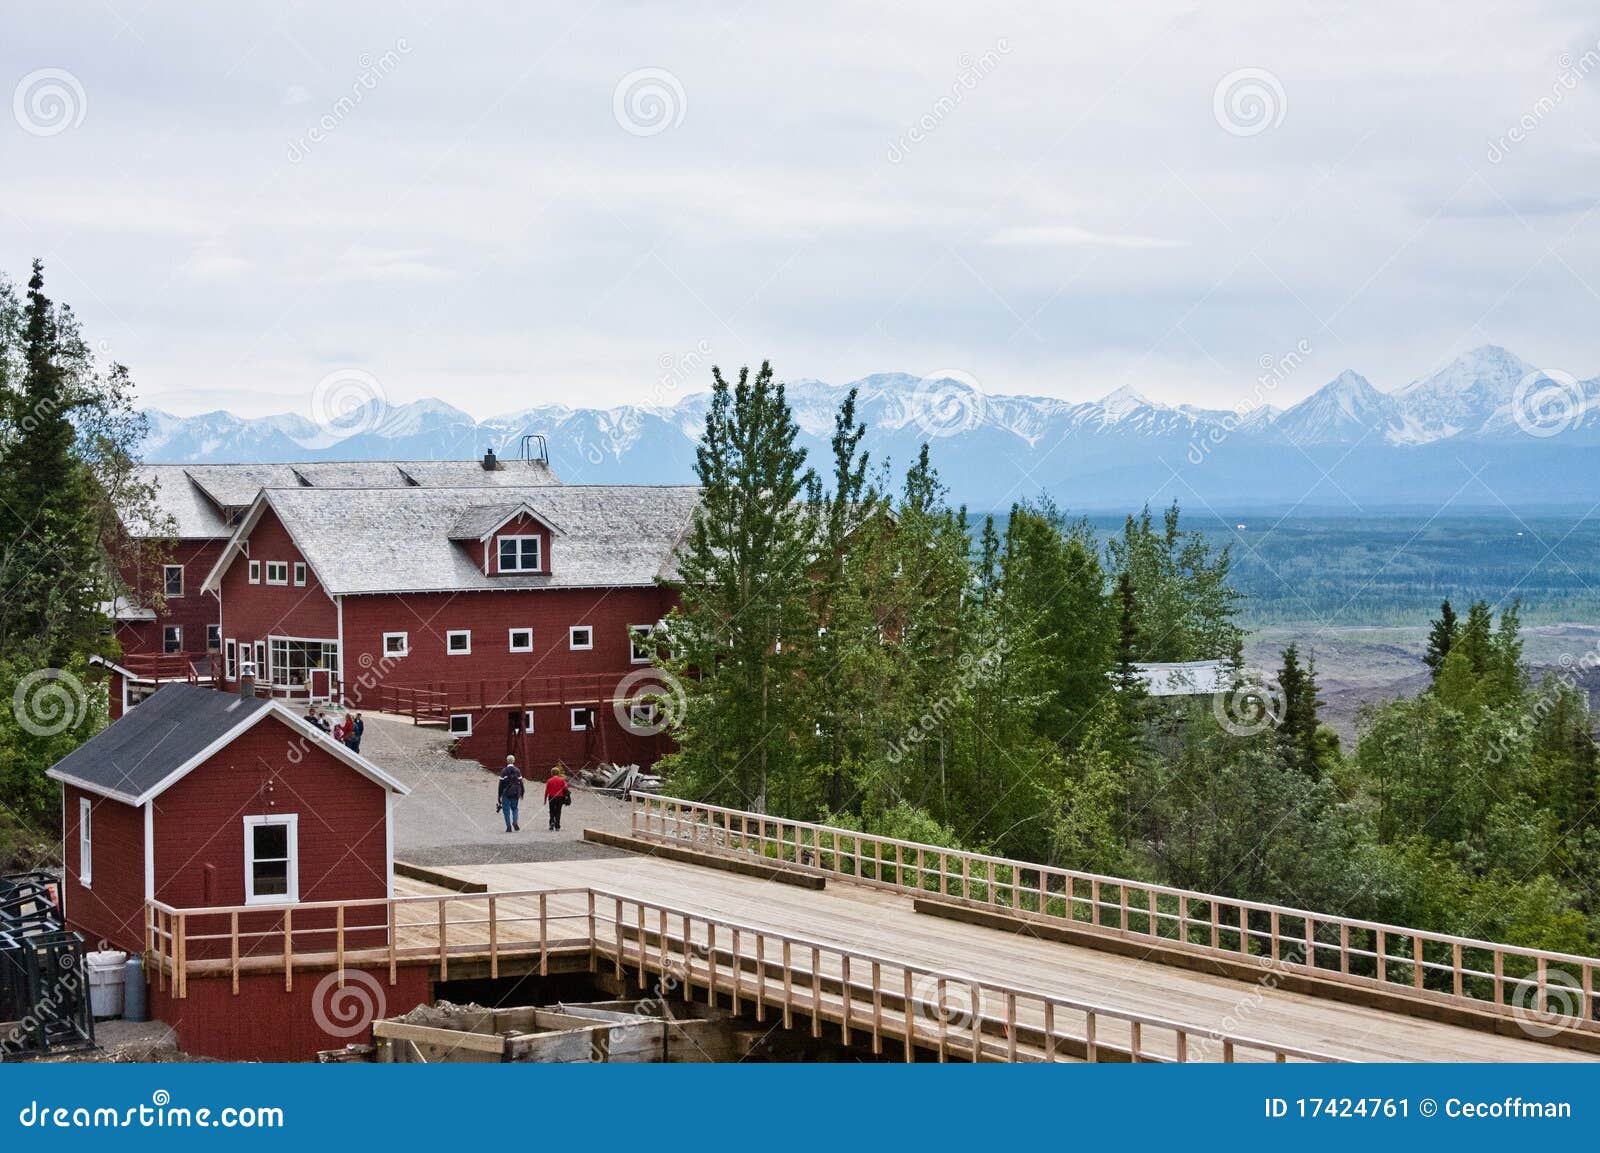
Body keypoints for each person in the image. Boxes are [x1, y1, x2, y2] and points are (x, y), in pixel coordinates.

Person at [498, 756, 525, 833]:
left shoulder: (503, 771)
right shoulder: (518, 770)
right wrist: (522, 793)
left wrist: (499, 796)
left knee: (506, 810)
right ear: (514, 761)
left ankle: (508, 826)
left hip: (506, 793)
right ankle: (515, 822)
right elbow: (521, 783)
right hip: (515, 792)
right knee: (515, 808)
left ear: (507, 761)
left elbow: (500, 785)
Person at [544, 766, 571, 831]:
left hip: (551, 797)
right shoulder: (562, 780)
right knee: (558, 811)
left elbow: (547, 791)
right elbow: (566, 789)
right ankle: (557, 825)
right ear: (558, 773)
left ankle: (552, 822)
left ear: (552, 773)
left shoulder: (549, 780)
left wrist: (545, 799)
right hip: (560, 797)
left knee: (551, 811)